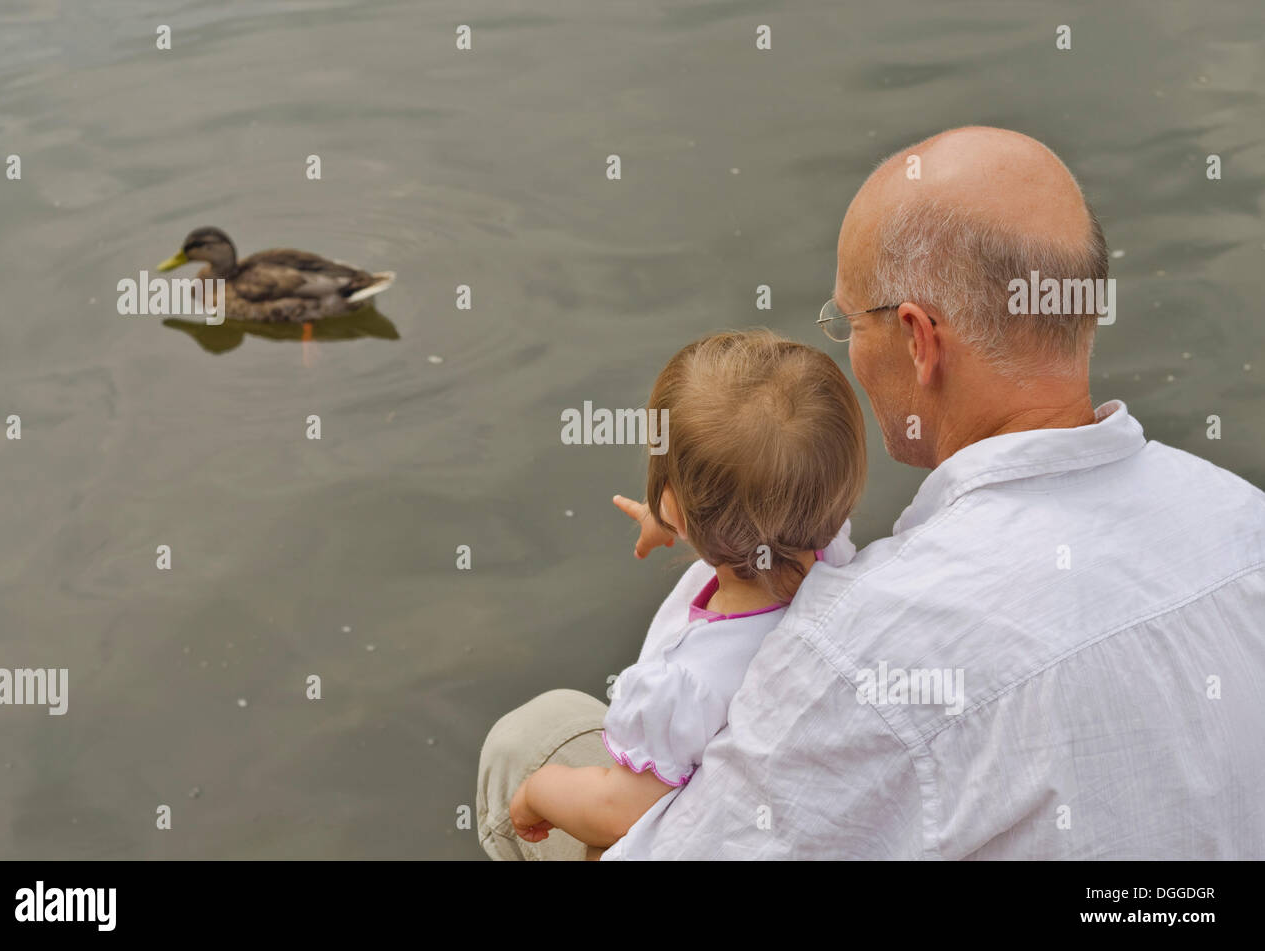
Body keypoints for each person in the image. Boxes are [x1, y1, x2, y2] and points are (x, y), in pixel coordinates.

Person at [477, 126, 1265, 860]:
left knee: (533, 738)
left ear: (920, 340)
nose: (845, 347)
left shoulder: (860, 652)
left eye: (846, 318)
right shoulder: (1243, 520)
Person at [506, 330, 864, 859]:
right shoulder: (829, 550)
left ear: (673, 502)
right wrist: (672, 519)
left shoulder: (684, 683)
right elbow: (767, 516)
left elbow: (616, 812)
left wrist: (540, 790)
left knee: (518, 743)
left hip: (663, 831)